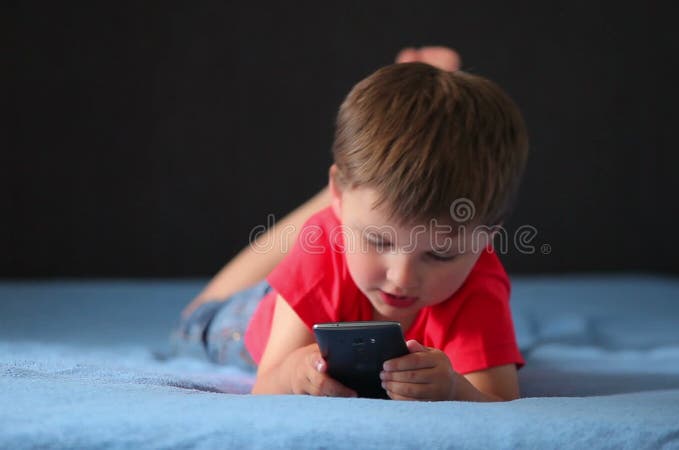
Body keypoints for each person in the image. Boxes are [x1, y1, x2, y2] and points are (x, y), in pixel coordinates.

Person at [174, 47, 529, 402]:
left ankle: (366, 179)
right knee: (196, 318)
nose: (402, 278)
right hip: (249, 320)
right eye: (379, 241)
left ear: (489, 235)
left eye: (440, 255)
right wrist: (293, 372)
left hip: (346, 227)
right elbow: (266, 387)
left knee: (365, 206)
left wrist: (455, 388)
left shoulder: (480, 282)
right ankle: (345, 192)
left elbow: (498, 401)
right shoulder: (319, 259)